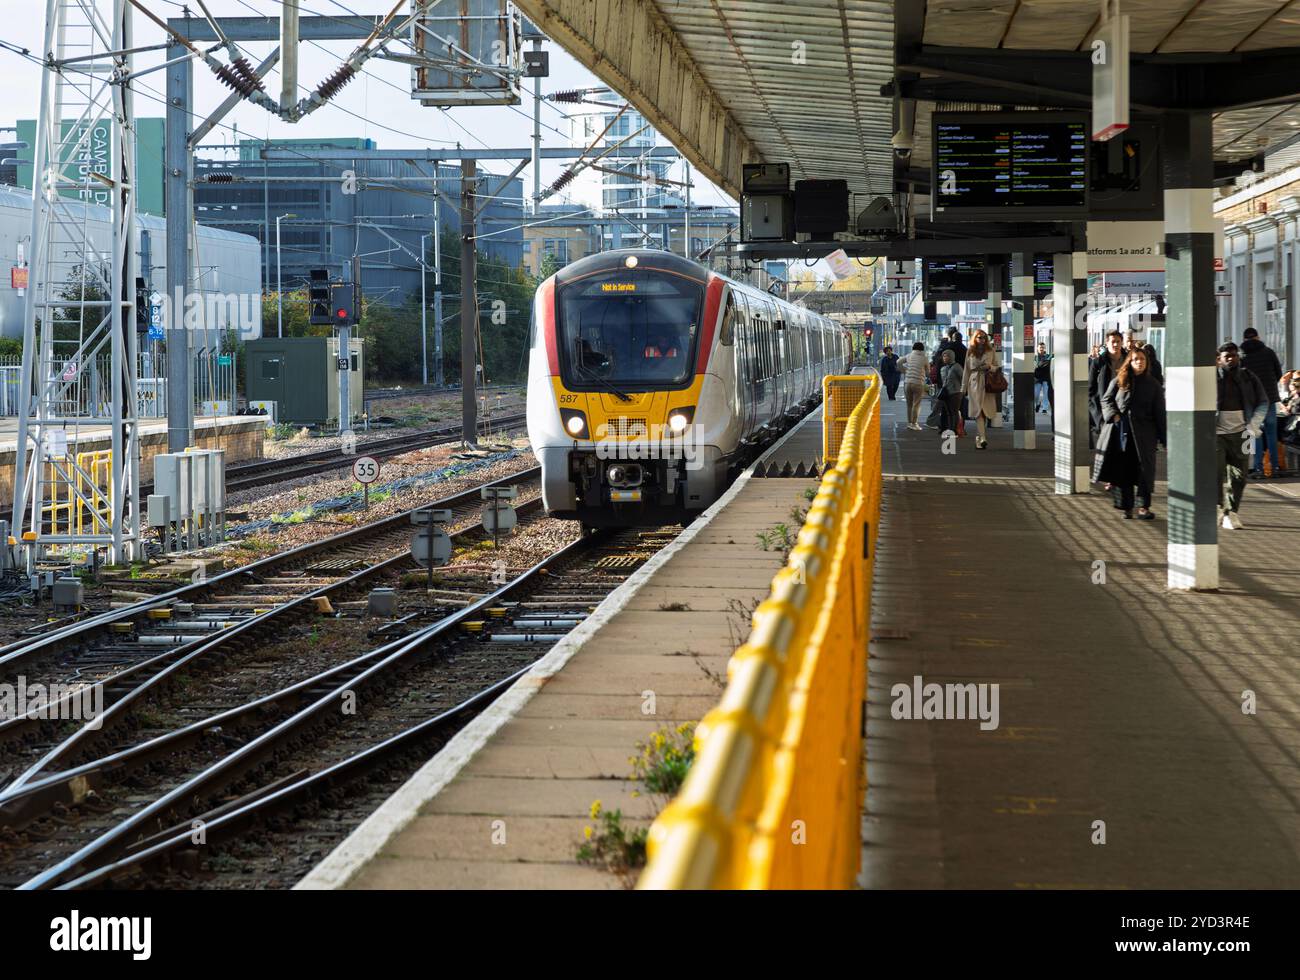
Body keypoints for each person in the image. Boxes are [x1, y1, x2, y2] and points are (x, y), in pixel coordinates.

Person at [1096, 348, 1166, 520]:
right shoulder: (1120, 380)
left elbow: (1160, 413)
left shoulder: (1153, 385)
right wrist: (1115, 414)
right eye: (1135, 359)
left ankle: (1143, 507)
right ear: (1130, 361)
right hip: (1123, 433)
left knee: (1145, 471)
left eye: (1142, 359)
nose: (1139, 362)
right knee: (1124, 470)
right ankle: (1126, 506)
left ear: (1147, 362)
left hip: (1145, 434)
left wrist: (1163, 437)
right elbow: (1106, 399)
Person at [1216, 342, 1269, 530]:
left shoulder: (1248, 377)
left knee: (1241, 474)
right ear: (1219, 359)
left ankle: (1232, 512)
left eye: (1234, 354)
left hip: (1244, 433)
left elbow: (1263, 401)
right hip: (1217, 434)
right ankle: (1219, 506)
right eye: (1226, 355)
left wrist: (1253, 425)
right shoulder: (1212, 378)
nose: (1231, 358)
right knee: (1215, 471)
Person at [1240, 327, 1286, 477]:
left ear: (1245, 339)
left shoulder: (1242, 356)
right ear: (1258, 337)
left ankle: (1258, 468)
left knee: (1255, 433)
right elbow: (1279, 373)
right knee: (1272, 433)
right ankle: (1274, 468)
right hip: (1270, 399)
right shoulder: (1268, 352)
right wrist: (1270, 387)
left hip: (1252, 402)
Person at [961, 329, 1002, 450]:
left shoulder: (991, 351)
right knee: (978, 412)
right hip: (974, 383)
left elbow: (997, 366)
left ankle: (978, 439)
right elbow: (966, 370)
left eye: (984, 337)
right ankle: (983, 438)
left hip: (987, 382)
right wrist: (963, 388)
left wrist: (990, 367)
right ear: (975, 338)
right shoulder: (970, 352)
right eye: (979, 337)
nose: (982, 340)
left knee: (985, 412)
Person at [1088, 331, 1126, 446]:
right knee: (1108, 445)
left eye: (1118, 342)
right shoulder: (1098, 363)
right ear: (1107, 343)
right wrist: (1098, 415)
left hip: (1124, 406)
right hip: (1105, 409)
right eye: (1113, 342)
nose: (1115, 345)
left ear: (1121, 343)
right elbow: (1091, 389)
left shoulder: (1128, 361)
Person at [901, 341, 929, 430]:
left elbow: (898, 362)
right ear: (922, 349)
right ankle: (914, 423)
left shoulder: (909, 356)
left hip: (907, 382)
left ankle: (909, 423)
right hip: (918, 383)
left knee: (909, 404)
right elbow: (928, 372)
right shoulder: (924, 358)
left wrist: (904, 370)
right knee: (916, 404)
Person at [938, 348, 964, 435]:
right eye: (943, 356)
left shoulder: (957, 367)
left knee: (954, 412)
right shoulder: (943, 368)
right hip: (946, 393)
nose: (945, 358)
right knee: (948, 412)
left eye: (947, 356)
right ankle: (950, 428)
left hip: (955, 392)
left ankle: (954, 429)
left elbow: (963, 378)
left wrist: (963, 390)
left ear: (952, 357)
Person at [1033, 343, 1053, 414]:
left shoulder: (1048, 356)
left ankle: (1045, 408)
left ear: (1045, 348)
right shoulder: (1034, 357)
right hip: (1037, 378)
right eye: (1040, 347)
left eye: (1043, 347)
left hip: (1046, 378)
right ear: (1037, 348)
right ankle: (1038, 403)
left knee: (1046, 394)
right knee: (1035, 394)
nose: (1042, 349)